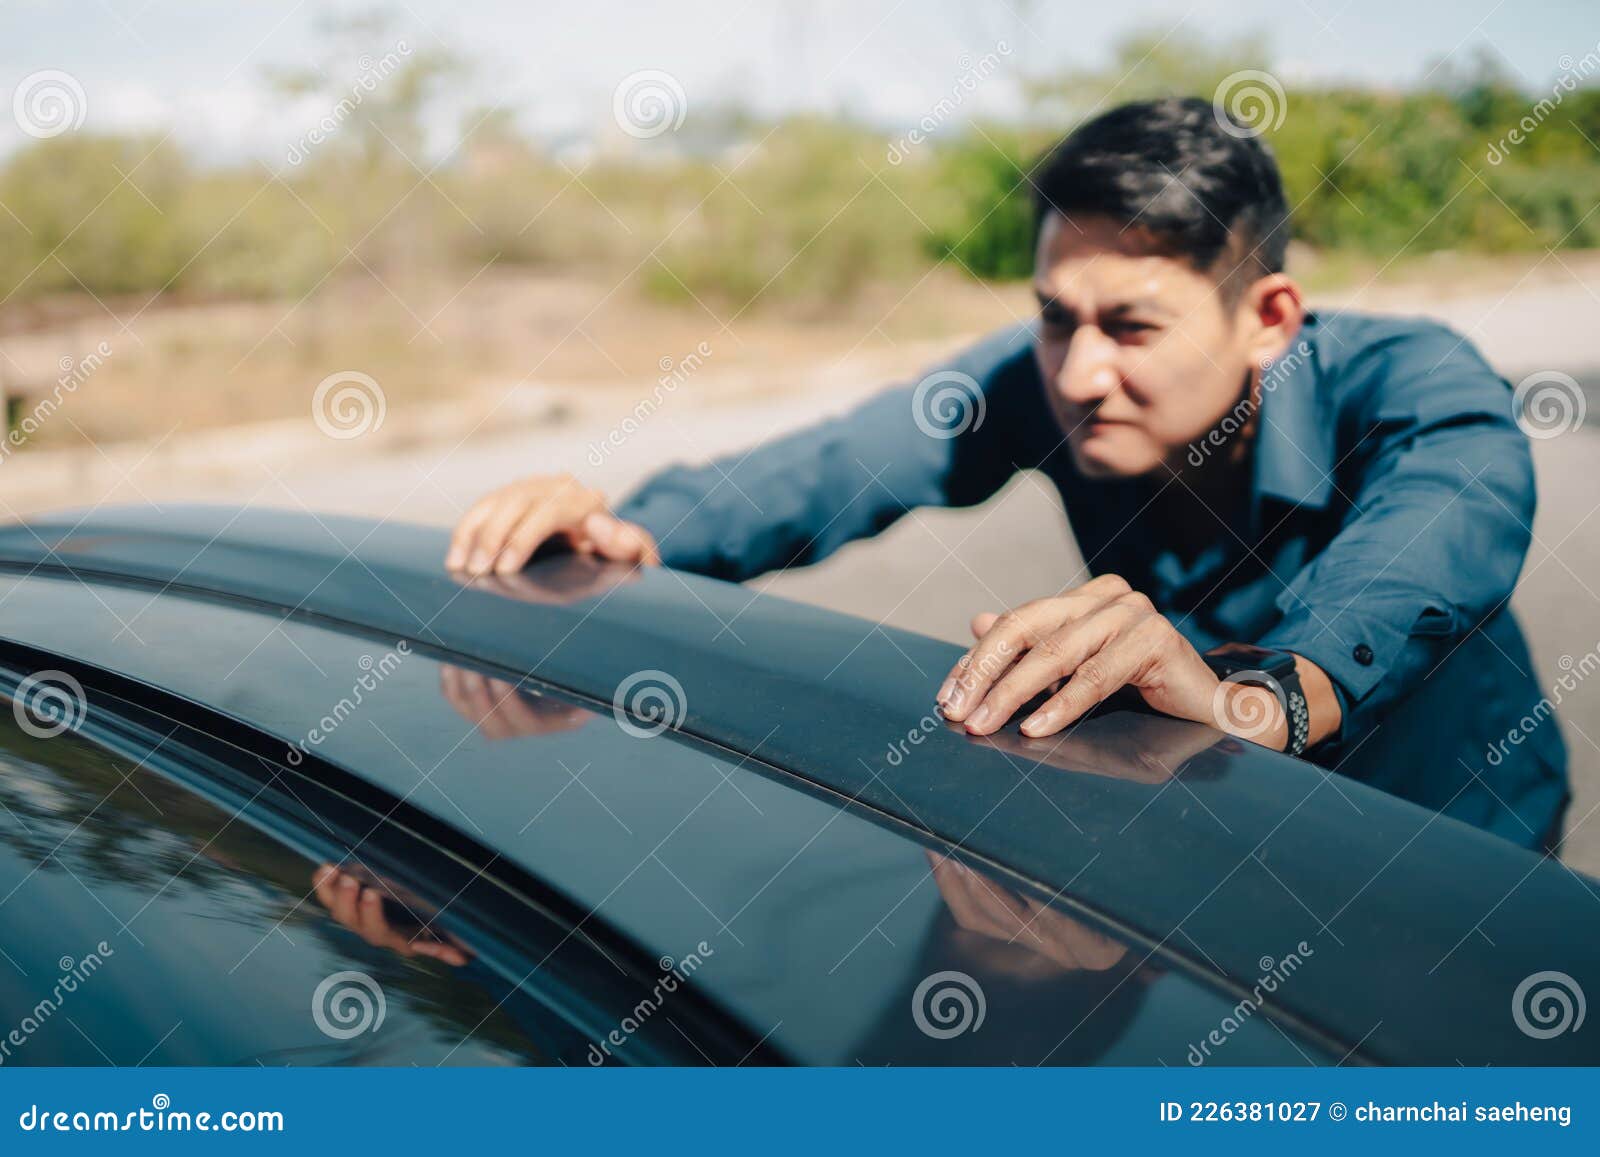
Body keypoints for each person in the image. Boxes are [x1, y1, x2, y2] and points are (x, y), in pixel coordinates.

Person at [444, 97, 1567, 852]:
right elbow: (834, 462)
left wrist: (1263, 695)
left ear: (1268, 316)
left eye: (1131, 325)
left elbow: (1450, 511)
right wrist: (628, 530)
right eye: (1052, 319)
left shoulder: (1406, 377)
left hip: (1448, 833)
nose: (1079, 371)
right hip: (1218, 836)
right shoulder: (1037, 379)